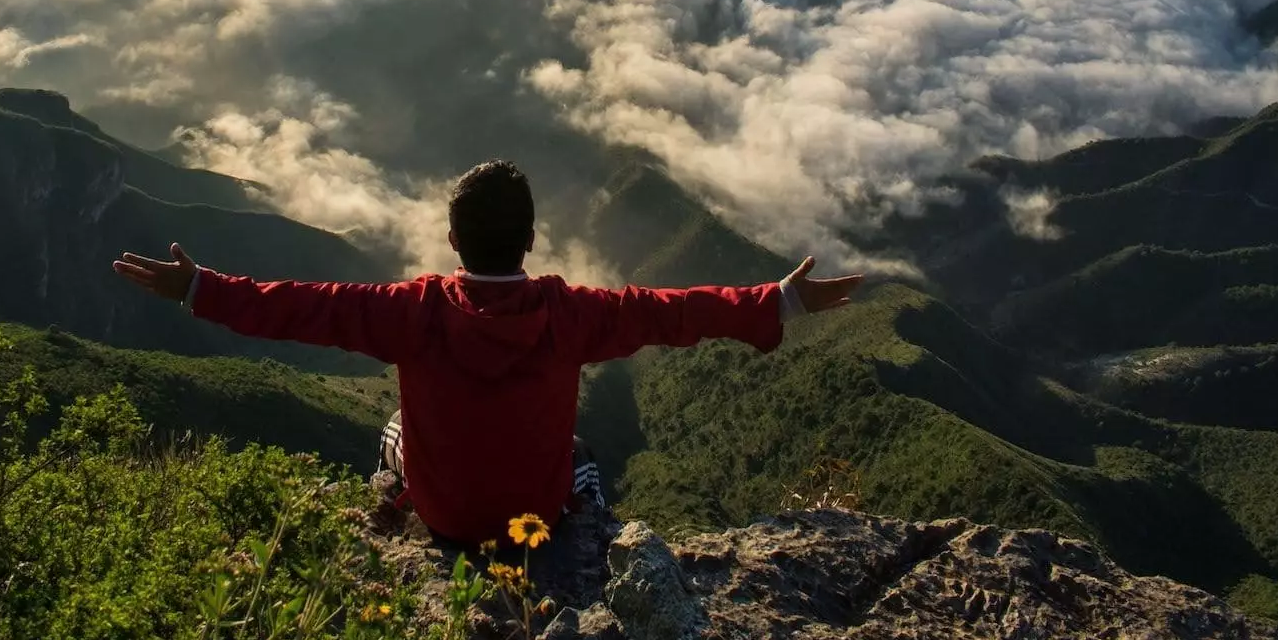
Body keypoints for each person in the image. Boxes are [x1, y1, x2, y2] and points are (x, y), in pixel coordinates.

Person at [113, 159, 862, 549]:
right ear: (531, 240)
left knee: (390, 434)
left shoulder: (411, 313)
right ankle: (589, 538)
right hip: (533, 515)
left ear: (451, 242)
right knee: (583, 457)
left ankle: (395, 503)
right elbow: (671, 315)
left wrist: (199, 289)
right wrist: (780, 300)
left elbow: (299, 307)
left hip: (443, 515)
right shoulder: (570, 315)